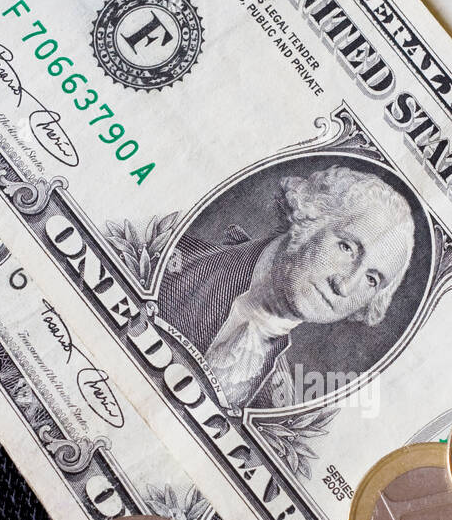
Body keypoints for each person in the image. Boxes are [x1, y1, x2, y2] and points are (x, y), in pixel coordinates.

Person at [158, 164, 415, 407]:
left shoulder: (277, 404)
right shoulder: (162, 260)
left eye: (371, 279)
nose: (345, 286)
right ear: (310, 219)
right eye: (347, 247)